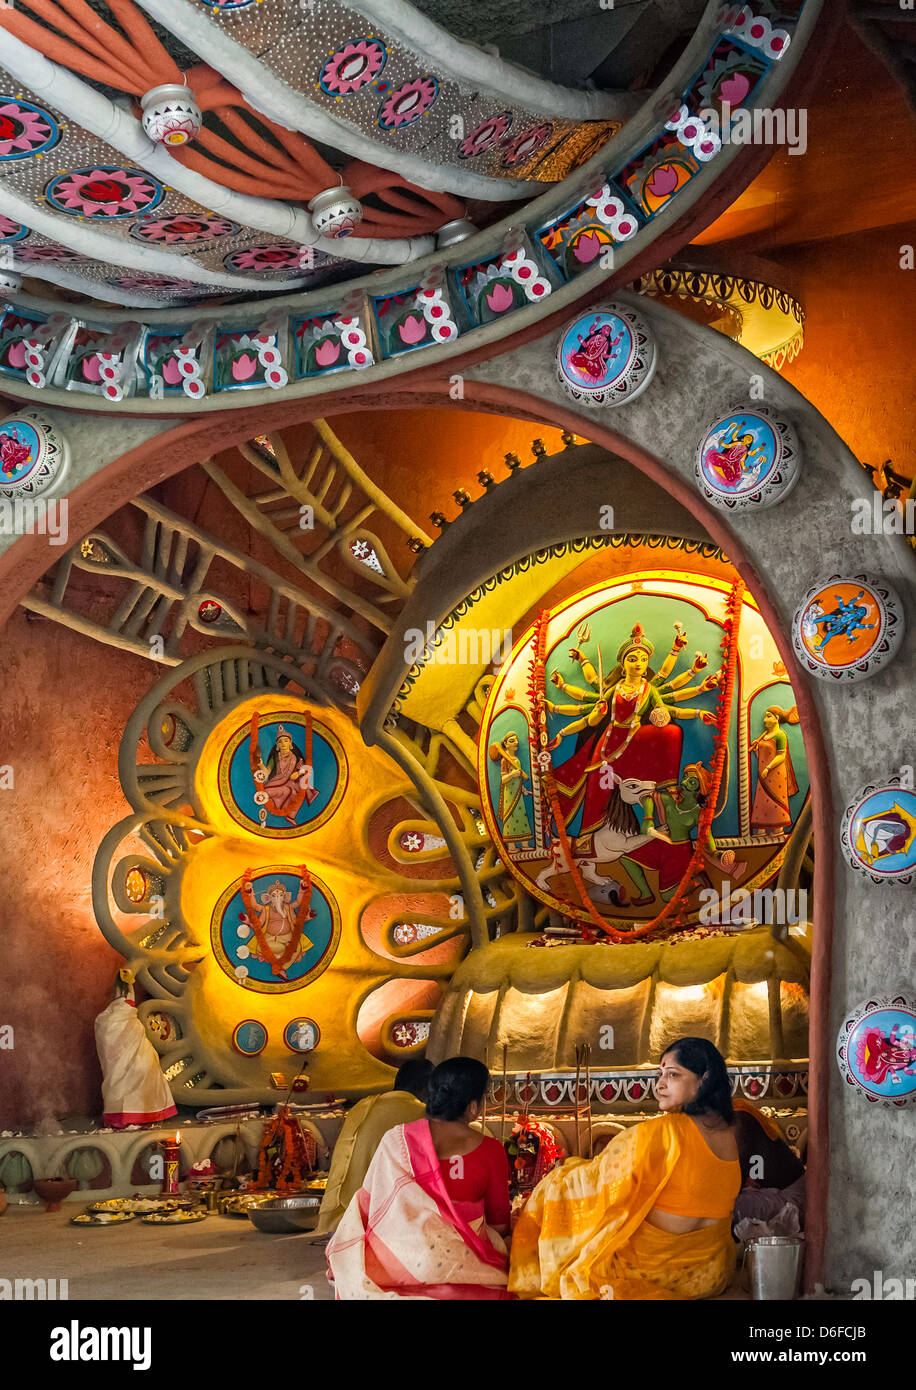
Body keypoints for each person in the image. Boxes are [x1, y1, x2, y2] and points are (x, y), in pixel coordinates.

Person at [509, 1037, 741, 1300]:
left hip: (655, 1273)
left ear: (704, 1079)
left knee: (559, 1189)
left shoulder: (661, 1133)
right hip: (712, 1272)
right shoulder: (729, 1132)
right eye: (659, 1074)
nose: (661, 1084)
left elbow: (594, 1182)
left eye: (673, 1075)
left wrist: (557, 1175)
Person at [326, 1057, 513, 1299]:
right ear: (474, 1106)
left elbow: (369, 1206)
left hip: (397, 1264)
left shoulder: (396, 1139)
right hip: (466, 1265)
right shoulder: (490, 1149)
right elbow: (499, 1224)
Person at [313, 1058, 432, 1238]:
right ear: (427, 1087)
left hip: (339, 1216)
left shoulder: (363, 1106)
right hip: (378, 1220)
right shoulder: (421, 1113)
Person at [93, 968, 177, 1128]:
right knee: (135, 1074)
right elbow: (128, 1002)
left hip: (130, 1045)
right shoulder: (120, 1007)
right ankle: (139, 1115)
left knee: (131, 1074)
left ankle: (132, 1116)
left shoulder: (107, 1015)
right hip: (128, 1039)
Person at [732, 1098, 805, 1226]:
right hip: (766, 1192)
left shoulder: (740, 1119)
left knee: (721, 1210)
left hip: (789, 1200)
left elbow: (734, 1181)